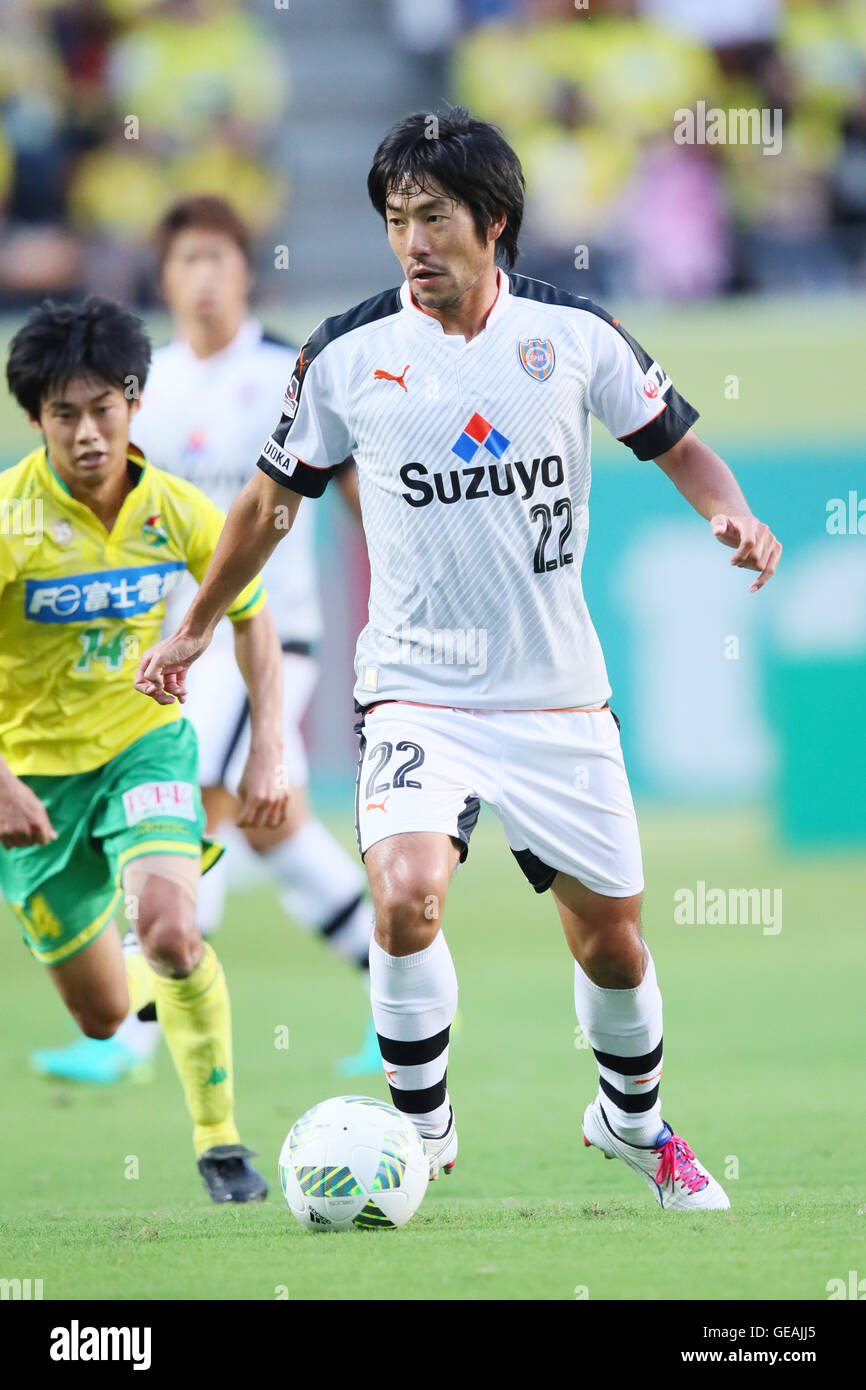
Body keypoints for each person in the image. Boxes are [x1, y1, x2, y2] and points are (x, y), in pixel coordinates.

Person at [135, 109, 782, 1209]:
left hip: (556, 696)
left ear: (494, 224)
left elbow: (679, 444)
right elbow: (265, 502)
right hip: (412, 691)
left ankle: (630, 1124)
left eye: (433, 219)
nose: (411, 244)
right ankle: (420, 1133)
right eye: (395, 221)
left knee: (614, 945)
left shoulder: (572, 337)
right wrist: (197, 620)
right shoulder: (346, 354)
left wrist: (732, 515)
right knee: (407, 894)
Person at [30, 196, 379, 1087]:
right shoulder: (146, 386)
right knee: (273, 826)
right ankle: (401, 987)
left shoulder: (290, 369)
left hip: (269, 634)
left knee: (191, 801)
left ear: (246, 271)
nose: (204, 277)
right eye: (186, 261)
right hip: (171, 643)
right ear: (164, 275)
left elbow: (351, 489)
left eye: (219, 258)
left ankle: (137, 1029)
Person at [0, 296, 285, 1202]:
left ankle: (221, 1142)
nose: (87, 434)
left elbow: (253, 619)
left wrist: (269, 745)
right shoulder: (9, 523)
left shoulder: (180, 511)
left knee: (169, 931)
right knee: (104, 1016)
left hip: (145, 750)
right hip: (31, 784)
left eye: (103, 409)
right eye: (63, 414)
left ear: (134, 402)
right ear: (35, 418)